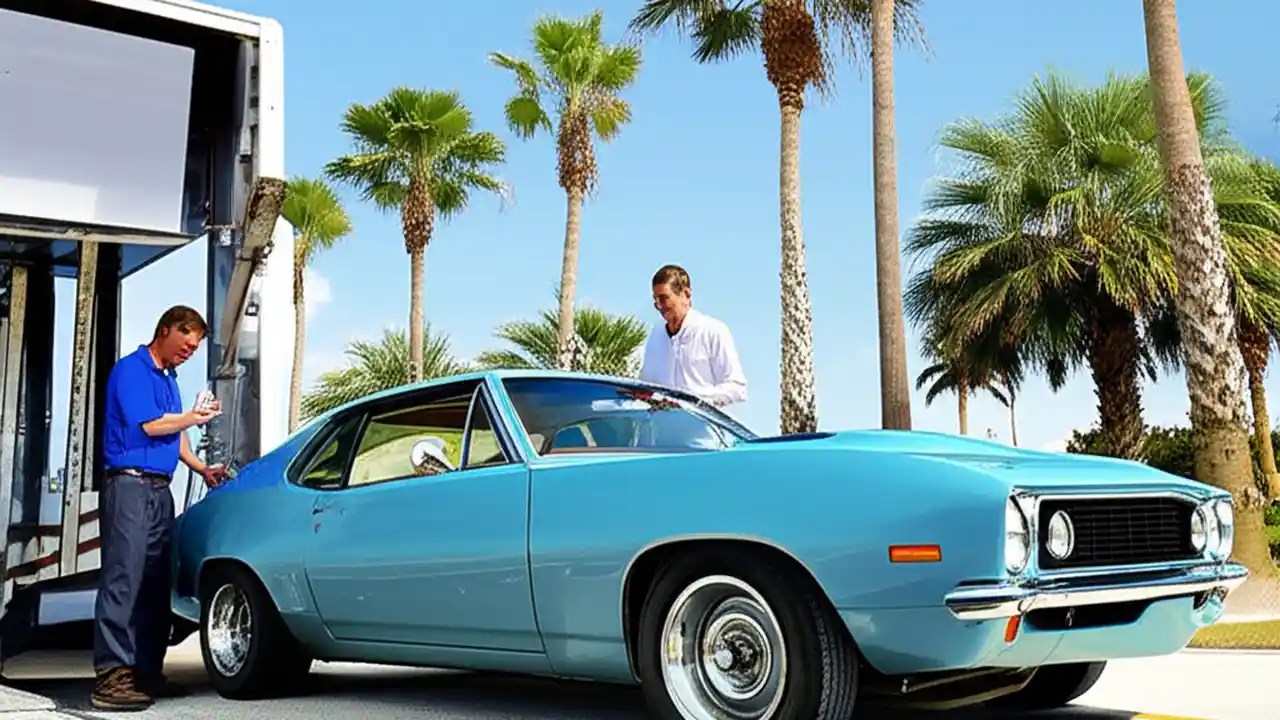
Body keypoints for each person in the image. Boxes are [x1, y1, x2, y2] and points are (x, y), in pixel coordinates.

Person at [91, 305, 228, 711]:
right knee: (124, 578)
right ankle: (112, 676)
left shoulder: (170, 378)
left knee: (154, 583)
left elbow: (174, 434)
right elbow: (152, 426)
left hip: (159, 490)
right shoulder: (132, 370)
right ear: (165, 330)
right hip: (129, 486)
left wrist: (201, 467)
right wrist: (191, 417)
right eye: (186, 344)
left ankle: (146, 671)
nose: (189, 352)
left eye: (195, 347)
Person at [640, 264, 748, 409]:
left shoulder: (713, 330)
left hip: (701, 429)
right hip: (661, 428)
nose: (660, 306)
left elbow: (737, 388)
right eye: (656, 301)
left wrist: (695, 403)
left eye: (664, 298)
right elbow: (645, 386)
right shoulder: (655, 334)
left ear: (686, 294)